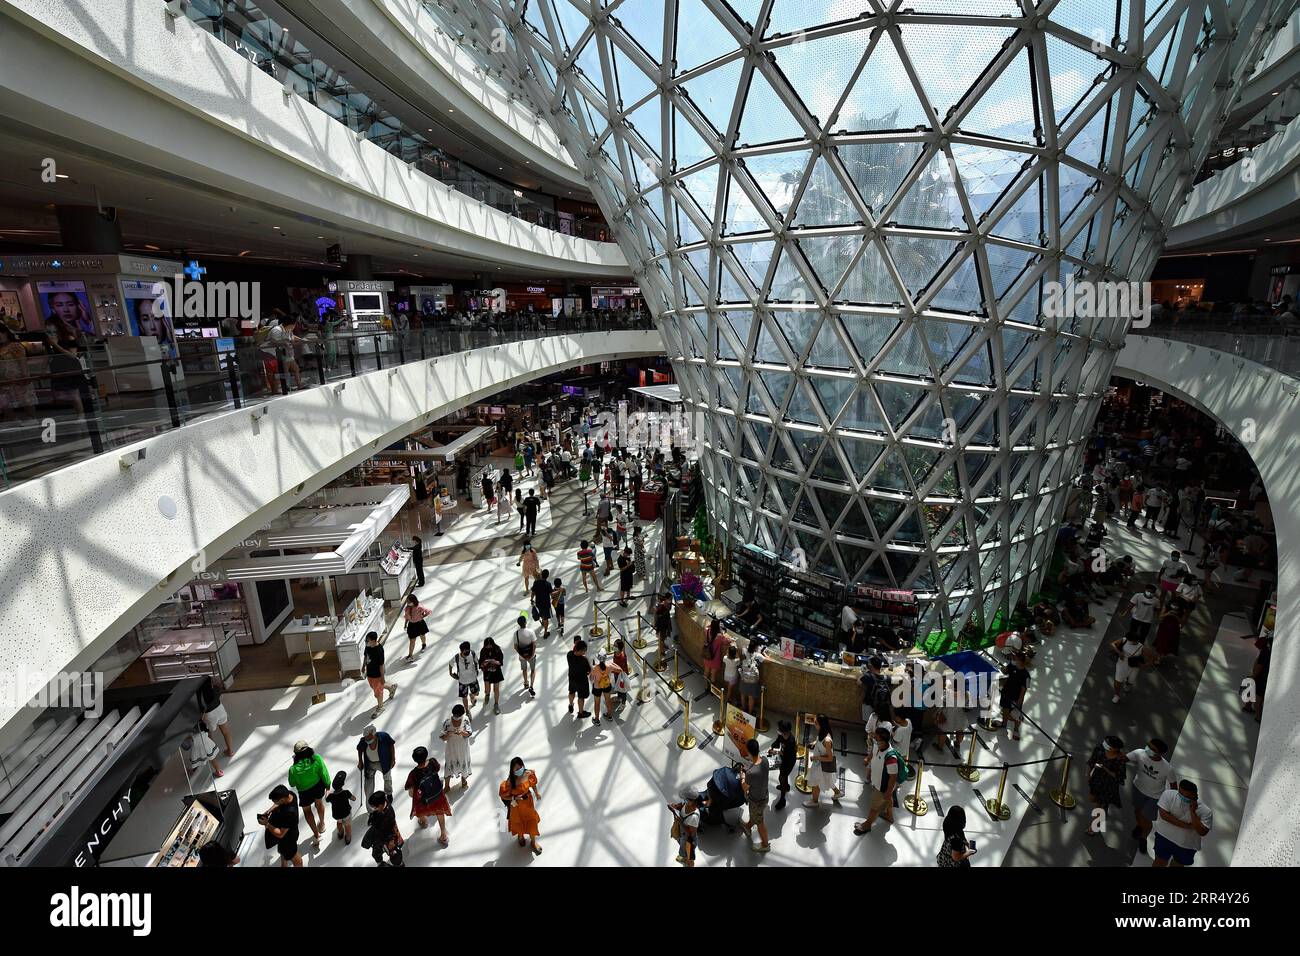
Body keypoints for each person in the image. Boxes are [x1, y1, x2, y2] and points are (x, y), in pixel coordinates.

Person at [1127, 738, 1176, 856]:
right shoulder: (1139, 753)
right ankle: (1139, 826)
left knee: (1147, 819)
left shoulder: (1167, 768)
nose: (1148, 749)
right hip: (1138, 789)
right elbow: (1124, 758)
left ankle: (1143, 838)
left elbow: (1174, 786)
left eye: (1153, 749)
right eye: (1148, 746)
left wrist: (1169, 803)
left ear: (1160, 753)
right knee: (1137, 811)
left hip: (1154, 797)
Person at [1153, 779, 1213, 867]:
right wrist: (1187, 826)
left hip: (1186, 845)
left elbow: (1202, 831)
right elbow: (1164, 815)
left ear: (1195, 796)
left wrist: (1193, 812)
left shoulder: (1206, 811)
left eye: (1187, 797)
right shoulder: (1168, 795)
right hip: (1164, 837)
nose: (1183, 798)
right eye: (1181, 794)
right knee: (1159, 862)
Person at [854, 726, 901, 834]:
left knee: (874, 807)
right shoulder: (877, 745)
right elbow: (872, 754)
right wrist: (867, 759)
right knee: (888, 801)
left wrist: (888, 792)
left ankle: (867, 825)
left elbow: (893, 778)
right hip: (877, 781)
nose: (874, 739)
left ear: (883, 741)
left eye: (876, 738)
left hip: (883, 787)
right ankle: (889, 816)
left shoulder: (891, 758)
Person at [405, 747, 452, 847]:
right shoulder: (432, 762)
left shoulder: (413, 773)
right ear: (426, 755)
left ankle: (423, 821)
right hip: (437, 794)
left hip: (424, 799)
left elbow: (408, 786)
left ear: (415, 759)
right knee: (440, 812)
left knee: (420, 810)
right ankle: (443, 835)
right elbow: (438, 768)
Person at [287, 741, 330, 845]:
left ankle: (316, 834)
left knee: (307, 812)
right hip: (318, 787)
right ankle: (322, 824)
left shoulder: (293, 769)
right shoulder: (316, 758)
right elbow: (324, 772)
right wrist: (328, 785)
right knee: (319, 804)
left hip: (304, 792)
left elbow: (292, 783)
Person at [499, 757, 543, 855]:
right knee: (519, 822)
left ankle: (533, 842)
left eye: (520, 767)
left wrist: (536, 793)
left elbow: (533, 785)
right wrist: (514, 799)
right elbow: (504, 795)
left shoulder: (528, 774)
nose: (519, 770)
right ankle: (520, 836)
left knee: (532, 821)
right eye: (516, 769)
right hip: (517, 807)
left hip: (528, 804)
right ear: (512, 770)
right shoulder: (510, 781)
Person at [1086, 735, 1127, 832]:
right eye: (1105, 742)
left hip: (1108, 785)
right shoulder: (1099, 749)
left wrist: (1105, 768)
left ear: (1115, 748)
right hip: (1096, 780)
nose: (1105, 744)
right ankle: (1101, 815)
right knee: (1094, 799)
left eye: (1108, 744)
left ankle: (1094, 827)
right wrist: (1088, 775)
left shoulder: (1120, 759)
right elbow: (1091, 761)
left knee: (1099, 804)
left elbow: (1120, 777)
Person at [738, 737, 772, 853]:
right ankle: (748, 826)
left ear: (748, 752)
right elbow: (758, 772)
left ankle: (765, 845)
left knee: (760, 823)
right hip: (764, 795)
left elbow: (745, 787)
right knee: (756, 815)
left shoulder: (751, 773)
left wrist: (743, 776)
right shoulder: (765, 760)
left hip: (756, 801)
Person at [805, 713, 842, 808]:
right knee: (828, 780)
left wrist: (816, 758)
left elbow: (830, 758)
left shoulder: (827, 740)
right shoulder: (822, 733)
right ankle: (837, 793)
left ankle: (815, 801)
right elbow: (819, 741)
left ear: (821, 725)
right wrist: (814, 743)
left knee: (815, 783)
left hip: (821, 764)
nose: (814, 724)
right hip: (821, 764)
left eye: (816, 723)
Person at [260, 785, 302, 867]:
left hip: (288, 840)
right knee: (283, 855)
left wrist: (267, 824)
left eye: (275, 801)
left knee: (296, 860)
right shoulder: (291, 795)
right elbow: (278, 804)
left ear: (282, 799)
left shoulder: (290, 814)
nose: (274, 803)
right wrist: (270, 810)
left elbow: (280, 834)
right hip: (287, 837)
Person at [356, 723, 397, 800]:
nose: (367, 740)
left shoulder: (384, 736)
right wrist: (360, 761)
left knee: (387, 778)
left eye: (369, 738)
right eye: (366, 738)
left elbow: (391, 744)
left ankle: (389, 793)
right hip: (370, 763)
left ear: (374, 735)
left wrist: (393, 759)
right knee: (368, 781)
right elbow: (359, 749)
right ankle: (370, 800)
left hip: (383, 762)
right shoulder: (363, 741)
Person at [363, 790, 404, 866]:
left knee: (395, 856)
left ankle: (399, 864)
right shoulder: (382, 805)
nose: (373, 809)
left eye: (375, 807)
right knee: (376, 853)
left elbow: (391, 829)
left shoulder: (389, 815)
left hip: (390, 839)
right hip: (380, 837)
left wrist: (391, 841)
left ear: (381, 805)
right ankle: (381, 864)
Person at [197, 676, 234, 757]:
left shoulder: (197, 686)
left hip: (209, 713)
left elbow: (199, 703)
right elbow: (218, 689)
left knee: (209, 734)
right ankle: (230, 751)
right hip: (219, 707)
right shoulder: (209, 679)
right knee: (226, 732)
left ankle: (213, 752)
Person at [1110, 632, 1152, 704]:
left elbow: (1151, 657)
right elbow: (1112, 644)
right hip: (1121, 664)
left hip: (1134, 666)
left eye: (1129, 639)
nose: (1128, 640)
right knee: (1118, 681)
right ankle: (1116, 695)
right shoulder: (1124, 640)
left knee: (1131, 681)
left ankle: (1128, 684)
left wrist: (1145, 665)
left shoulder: (1141, 647)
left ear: (1134, 640)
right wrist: (1119, 652)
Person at [363, 631, 397, 718]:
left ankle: (381, 707)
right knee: (375, 686)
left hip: (377, 674)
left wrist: (382, 677)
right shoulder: (367, 646)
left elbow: (381, 665)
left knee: (378, 691)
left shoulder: (379, 650)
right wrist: (363, 666)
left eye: (368, 640)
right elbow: (365, 656)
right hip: (369, 673)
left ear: (374, 640)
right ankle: (391, 687)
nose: (367, 641)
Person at [997, 651, 1031, 741]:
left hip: (1015, 697)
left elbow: (1024, 690)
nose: (1013, 660)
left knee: (1016, 715)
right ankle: (1004, 724)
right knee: (1005, 709)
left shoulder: (1026, 675)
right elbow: (1005, 671)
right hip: (1006, 692)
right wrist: (1003, 669)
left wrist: (1019, 701)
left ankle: (1016, 729)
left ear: (1021, 661)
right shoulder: (1012, 665)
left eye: (1015, 659)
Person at [440, 704, 474, 787]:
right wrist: (449, 735)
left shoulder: (465, 720)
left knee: (463, 762)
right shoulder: (447, 722)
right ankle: (447, 786)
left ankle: (463, 781)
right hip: (451, 748)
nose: (456, 717)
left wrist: (461, 732)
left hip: (463, 748)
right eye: (454, 715)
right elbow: (442, 737)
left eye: (458, 715)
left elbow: (469, 733)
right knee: (449, 764)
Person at [667, 786, 701, 867]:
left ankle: (689, 864)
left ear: (691, 801)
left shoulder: (694, 817)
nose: (684, 801)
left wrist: (681, 822)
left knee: (689, 856)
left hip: (689, 840)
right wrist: (675, 806)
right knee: (683, 849)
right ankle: (683, 857)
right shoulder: (686, 803)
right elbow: (681, 806)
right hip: (682, 835)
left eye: (685, 799)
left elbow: (691, 832)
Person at [768, 719, 797, 811]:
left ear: (785, 731)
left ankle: (782, 799)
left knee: (782, 778)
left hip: (789, 761)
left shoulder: (791, 742)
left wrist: (775, 752)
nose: (778, 731)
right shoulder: (782, 735)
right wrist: (771, 747)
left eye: (780, 729)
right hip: (783, 760)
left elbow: (785, 754)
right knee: (783, 776)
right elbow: (777, 742)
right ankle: (786, 786)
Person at [589, 651, 622, 726]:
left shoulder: (595, 668)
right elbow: (620, 670)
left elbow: (591, 679)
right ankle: (609, 715)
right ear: (606, 658)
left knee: (597, 703)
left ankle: (597, 720)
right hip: (607, 685)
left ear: (598, 658)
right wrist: (613, 664)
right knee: (608, 700)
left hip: (597, 687)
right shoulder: (609, 666)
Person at [449, 641, 481, 713]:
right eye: (465, 651)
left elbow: (477, 661)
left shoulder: (472, 653)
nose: (467, 653)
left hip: (473, 678)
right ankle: (467, 710)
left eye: (468, 650)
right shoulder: (457, 657)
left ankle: (472, 696)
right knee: (464, 697)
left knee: (477, 693)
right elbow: (450, 663)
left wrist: (478, 668)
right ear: (461, 651)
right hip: (462, 681)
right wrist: (450, 673)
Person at [325, 770, 355, 845]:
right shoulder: (346, 792)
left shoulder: (331, 796)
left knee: (339, 823)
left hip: (337, 814)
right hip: (346, 813)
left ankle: (341, 833)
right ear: (343, 784)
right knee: (347, 825)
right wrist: (352, 797)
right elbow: (354, 798)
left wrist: (327, 791)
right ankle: (348, 838)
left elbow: (326, 799)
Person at [403, 594, 432, 663]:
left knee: (422, 635)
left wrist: (422, 616)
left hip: (419, 624)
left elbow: (428, 611)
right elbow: (407, 616)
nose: (408, 603)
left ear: (413, 601)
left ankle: (424, 644)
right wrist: (405, 624)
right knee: (412, 640)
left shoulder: (419, 606)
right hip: (411, 625)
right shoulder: (407, 608)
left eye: (409, 601)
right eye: (407, 601)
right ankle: (410, 655)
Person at [479, 637, 505, 715]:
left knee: (496, 689)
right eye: (487, 645)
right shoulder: (483, 650)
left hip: (496, 671)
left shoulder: (497, 649)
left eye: (490, 645)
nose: (489, 647)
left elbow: (500, 662)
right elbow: (480, 663)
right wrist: (484, 663)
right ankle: (487, 694)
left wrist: (494, 662)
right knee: (487, 689)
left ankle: (496, 704)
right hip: (487, 672)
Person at [514, 615, 538, 698]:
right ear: (525, 622)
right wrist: (531, 654)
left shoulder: (516, 633)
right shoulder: (530, 631)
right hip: (531, 655)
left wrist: (522, 655)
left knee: (524, 669)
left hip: (522, 656)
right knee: (533, 670)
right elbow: (534, 644)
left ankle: (526, 683)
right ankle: (531, 685)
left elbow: (515, 647)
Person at [567, 639, 592, 718]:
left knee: (571, 692)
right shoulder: (584, 660)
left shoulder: (569, 655)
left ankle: (571, 705)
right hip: (581, 682)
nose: (585, 652)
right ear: (581, 650)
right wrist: (587, 659)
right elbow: (589, 671)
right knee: (581, 697)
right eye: (585, 650)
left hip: (572, 679)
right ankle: (581, 713)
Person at [702, 617, 726, 688]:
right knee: (713, 675)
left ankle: (706, 687)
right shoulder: (720, 636)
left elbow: (706, 626)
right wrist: (723, 632)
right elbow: (728, 641)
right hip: (715, 658)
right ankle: (712, 690)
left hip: (707, 655)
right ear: (718, 626)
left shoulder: (707, 631)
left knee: (706, 672)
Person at [739, 641, 762, 715]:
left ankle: (743, 708)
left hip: (744, 677)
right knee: (750, 697)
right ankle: (750, 712)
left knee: (743, 694)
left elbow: (743, 648)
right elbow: (768, 661)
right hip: (752, 680)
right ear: (756, 647)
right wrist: (763, 653)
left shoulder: (744, 651)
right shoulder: (758, 655)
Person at [531, 569, 554, 638]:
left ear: (541, 574)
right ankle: (545, 633)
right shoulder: (548, 584)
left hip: (538, 603)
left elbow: (533, 592)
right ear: (547, 576)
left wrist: (531, 599)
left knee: (541, 613)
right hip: (546, 604)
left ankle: (543, 621)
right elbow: (551, 595)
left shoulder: (536, 583)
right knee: (546, 618)